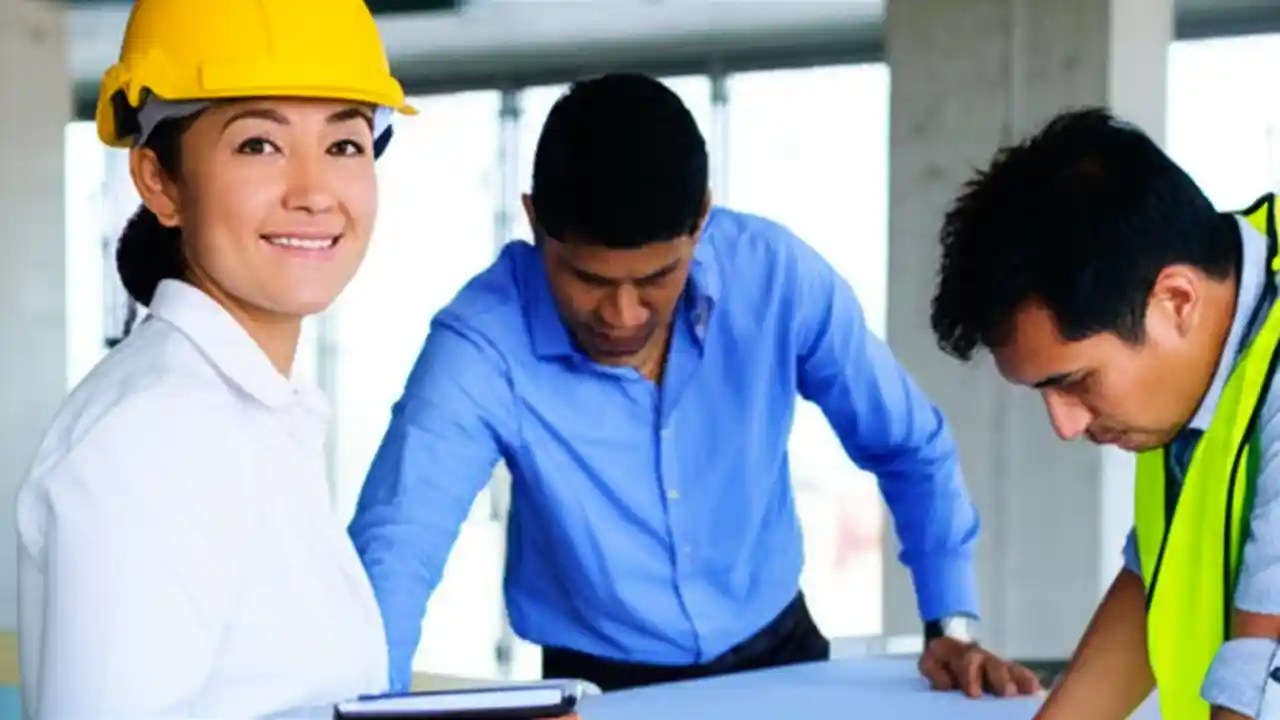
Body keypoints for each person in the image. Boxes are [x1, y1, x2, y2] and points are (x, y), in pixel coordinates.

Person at [349, 72, 1040, 698]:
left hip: (782, 657)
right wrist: (369, 709)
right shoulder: (481, 342)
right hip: (601, 686)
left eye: (656, 278)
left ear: (701, 220)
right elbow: (398, 545)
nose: (622, 314)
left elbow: (908, 444)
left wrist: (950, 624)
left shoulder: (775, 279)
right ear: (534, 223)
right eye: (588, 280)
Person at [13, 0, 416, 716]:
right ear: (159, 182)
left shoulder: (249, 413)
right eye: (259, 144)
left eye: (344, 145)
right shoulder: (152, 441)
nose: (313, 193)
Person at [930, 107, 1280, 720]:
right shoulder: (1205, 361)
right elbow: (1159, 575)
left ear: (1176, 301)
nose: (1065, 426)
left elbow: (1261, 666)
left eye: (1076, 382)